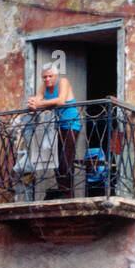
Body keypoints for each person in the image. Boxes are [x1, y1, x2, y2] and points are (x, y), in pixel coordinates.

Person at [27, 63, 81, 197]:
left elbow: (61, 100)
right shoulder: (43, 87)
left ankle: (67, 194)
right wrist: (32, 102)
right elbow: (37, 100)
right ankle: (64, 191)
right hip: (56, 127)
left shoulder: (63, 82)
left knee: (65, 161)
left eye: (50, 76)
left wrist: (39, 103)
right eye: (44, 77)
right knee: (57, 161)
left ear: (56, 75)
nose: (47, 79)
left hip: (71, 125)